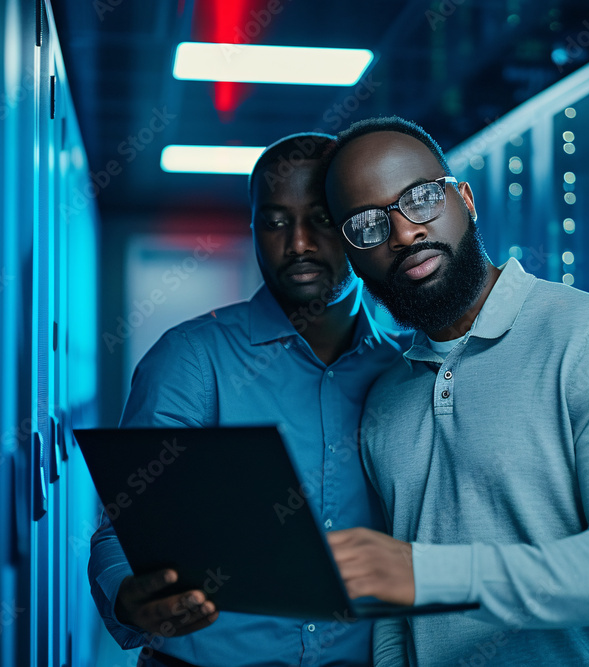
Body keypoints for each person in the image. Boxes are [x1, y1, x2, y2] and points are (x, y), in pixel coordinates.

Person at [322, 116, 589, 666]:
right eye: (368, 225)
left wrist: (429, 575)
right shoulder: (384, 399)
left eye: (420, 199)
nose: (403, 233)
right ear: (352, 257)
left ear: (464, 199)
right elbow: (397, 613)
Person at [88, 132, 409, 667]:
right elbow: (126, 528)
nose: (299, 243)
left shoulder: (406, 369)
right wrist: (129, 596)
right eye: (276, 221)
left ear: (359, 226)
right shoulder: (191, 359)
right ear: (254, 227)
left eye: (323, 219)